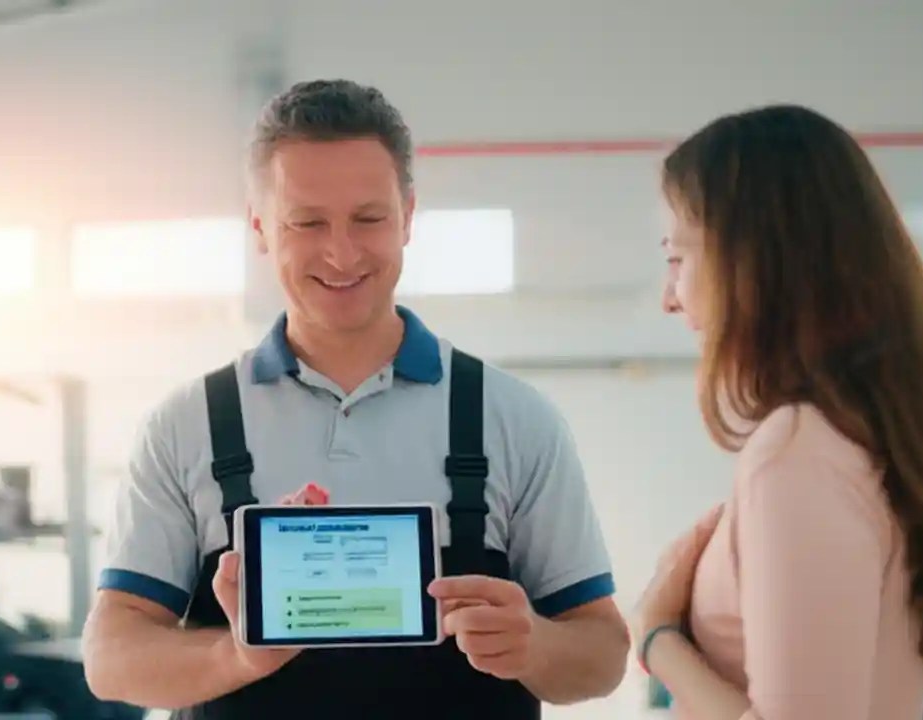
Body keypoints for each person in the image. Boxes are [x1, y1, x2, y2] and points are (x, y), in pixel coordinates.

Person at [81, 78, 631, 718]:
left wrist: (533, 646)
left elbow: (604, 654)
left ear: (408, 217)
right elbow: (111, 657)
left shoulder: (511, 418)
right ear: (260, 227)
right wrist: (237, 656)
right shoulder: (188, 426)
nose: (341, 253)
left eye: (368, 219)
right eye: (307, 222)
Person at [634, 103, 923, 720]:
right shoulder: (869, 443)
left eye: (678, 256)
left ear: (753, 263)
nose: (671, 297)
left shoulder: (798, 451)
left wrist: (658, 638)